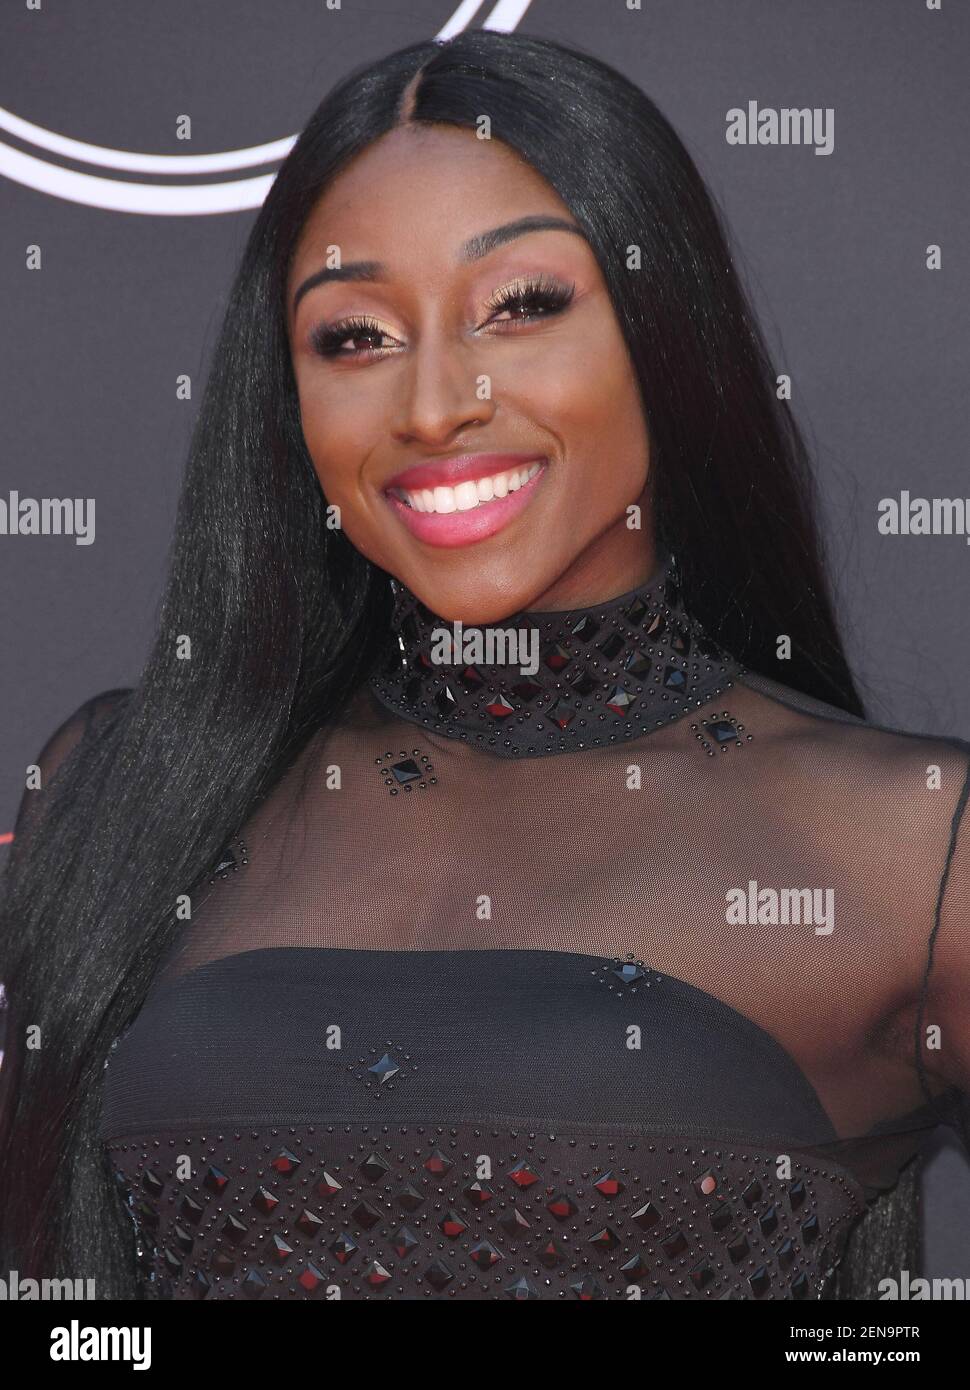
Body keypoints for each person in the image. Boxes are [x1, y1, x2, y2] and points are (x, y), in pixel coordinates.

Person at [1, 29, 967, 1302]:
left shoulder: (914, 851)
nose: (432, 403)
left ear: (663, 328)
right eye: (355, 335)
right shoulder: (123, 789)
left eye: (521, 307)